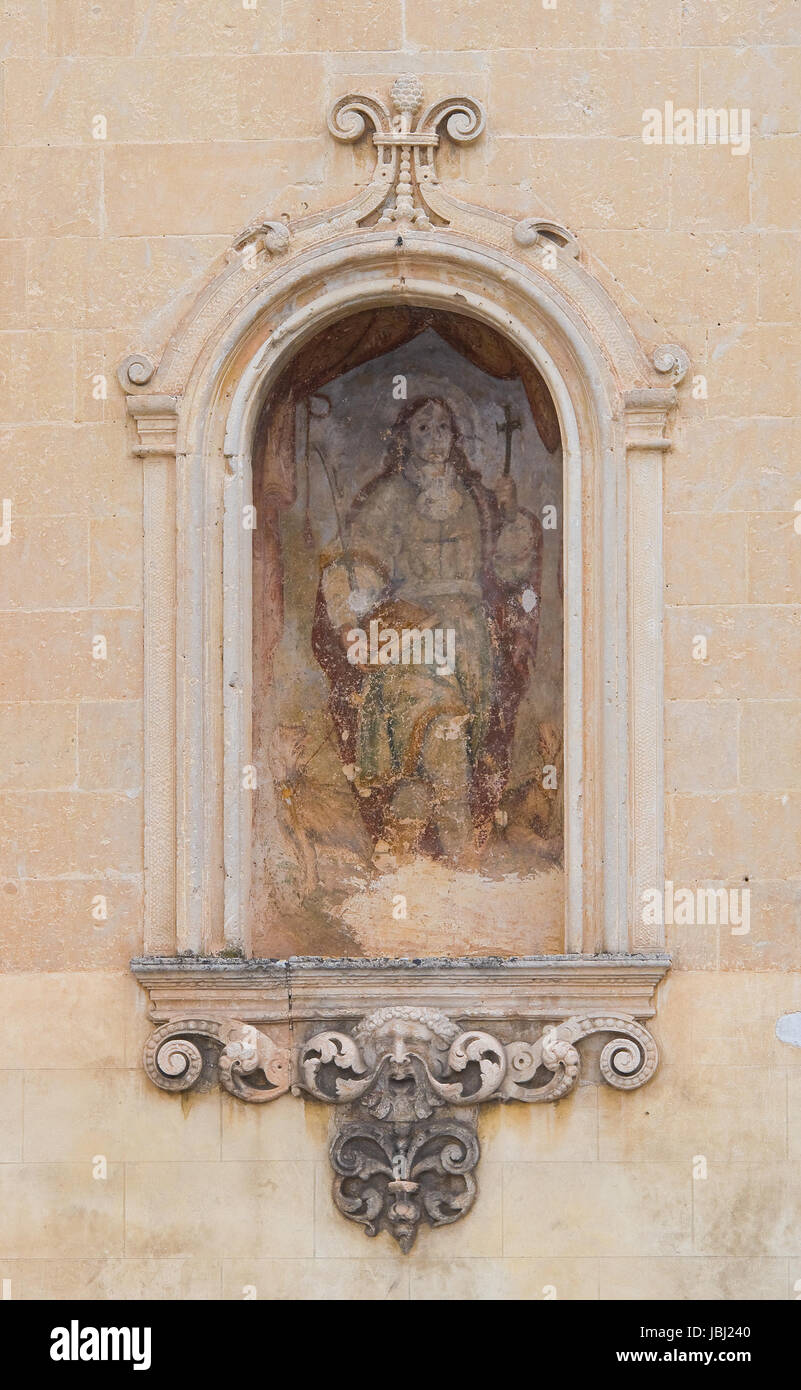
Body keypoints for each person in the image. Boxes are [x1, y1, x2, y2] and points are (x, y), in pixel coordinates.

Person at [313, 395, 541, 861]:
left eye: (442, 428)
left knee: (426, 758)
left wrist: (511, 516)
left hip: (471, 642)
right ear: (405, 438)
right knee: (438, 730)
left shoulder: (477, 496)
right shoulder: (390, 496)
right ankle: (459, 855)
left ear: (454, 437)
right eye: (422, 428)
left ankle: (403, 858)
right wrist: (350, 623)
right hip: (414, 633)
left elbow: (508, 571)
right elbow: (355, 564)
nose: (434, 438)